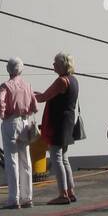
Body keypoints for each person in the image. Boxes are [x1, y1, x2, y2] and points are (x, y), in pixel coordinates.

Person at [37, 51, 79, 205]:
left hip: (58, 124)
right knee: (64, 158)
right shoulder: (74, 80)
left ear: (63, 64)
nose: (53, 64)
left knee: (56, 158)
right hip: (68, 123)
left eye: (55, 62)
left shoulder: (61, 81)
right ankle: (71, 191)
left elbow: (43, 97)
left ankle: (62, 194)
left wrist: (27, 95)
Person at [0, 56, 38, 209]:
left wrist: (2, 113)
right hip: (25, 122)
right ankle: (28, 198)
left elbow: (0, 101)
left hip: (11, 123)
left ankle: (14, 199)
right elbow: (35, 106)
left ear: (8, 70)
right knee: (26, 160)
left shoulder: (5, 86)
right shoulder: (27, 85)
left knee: (12, 161)